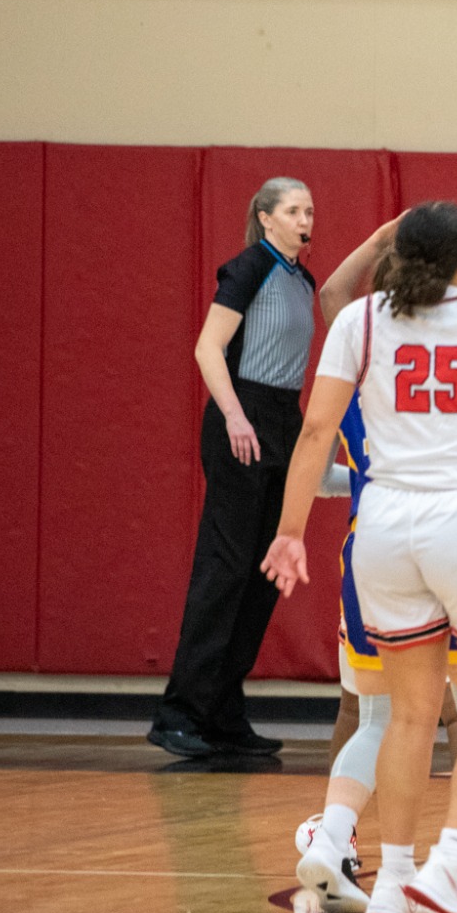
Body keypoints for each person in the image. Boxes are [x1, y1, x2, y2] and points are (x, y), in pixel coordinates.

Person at [263, 201, 457, 913]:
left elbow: (314, 430)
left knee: (404, 713)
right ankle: (455, 861)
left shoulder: (359, 322)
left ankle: (395, 880)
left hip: (385, 526)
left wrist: (290, 532)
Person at [151, 177, 319, 759]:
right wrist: (234, 416)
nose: (305, 219)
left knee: (264, 570)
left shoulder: (303, 279)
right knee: (224, 566)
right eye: (294, 210)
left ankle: (223, 712)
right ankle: (179, 712)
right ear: (266, 218)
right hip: (240, 420)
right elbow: (207, 347)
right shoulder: (249, 267)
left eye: (310, 211)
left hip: (282, 420)